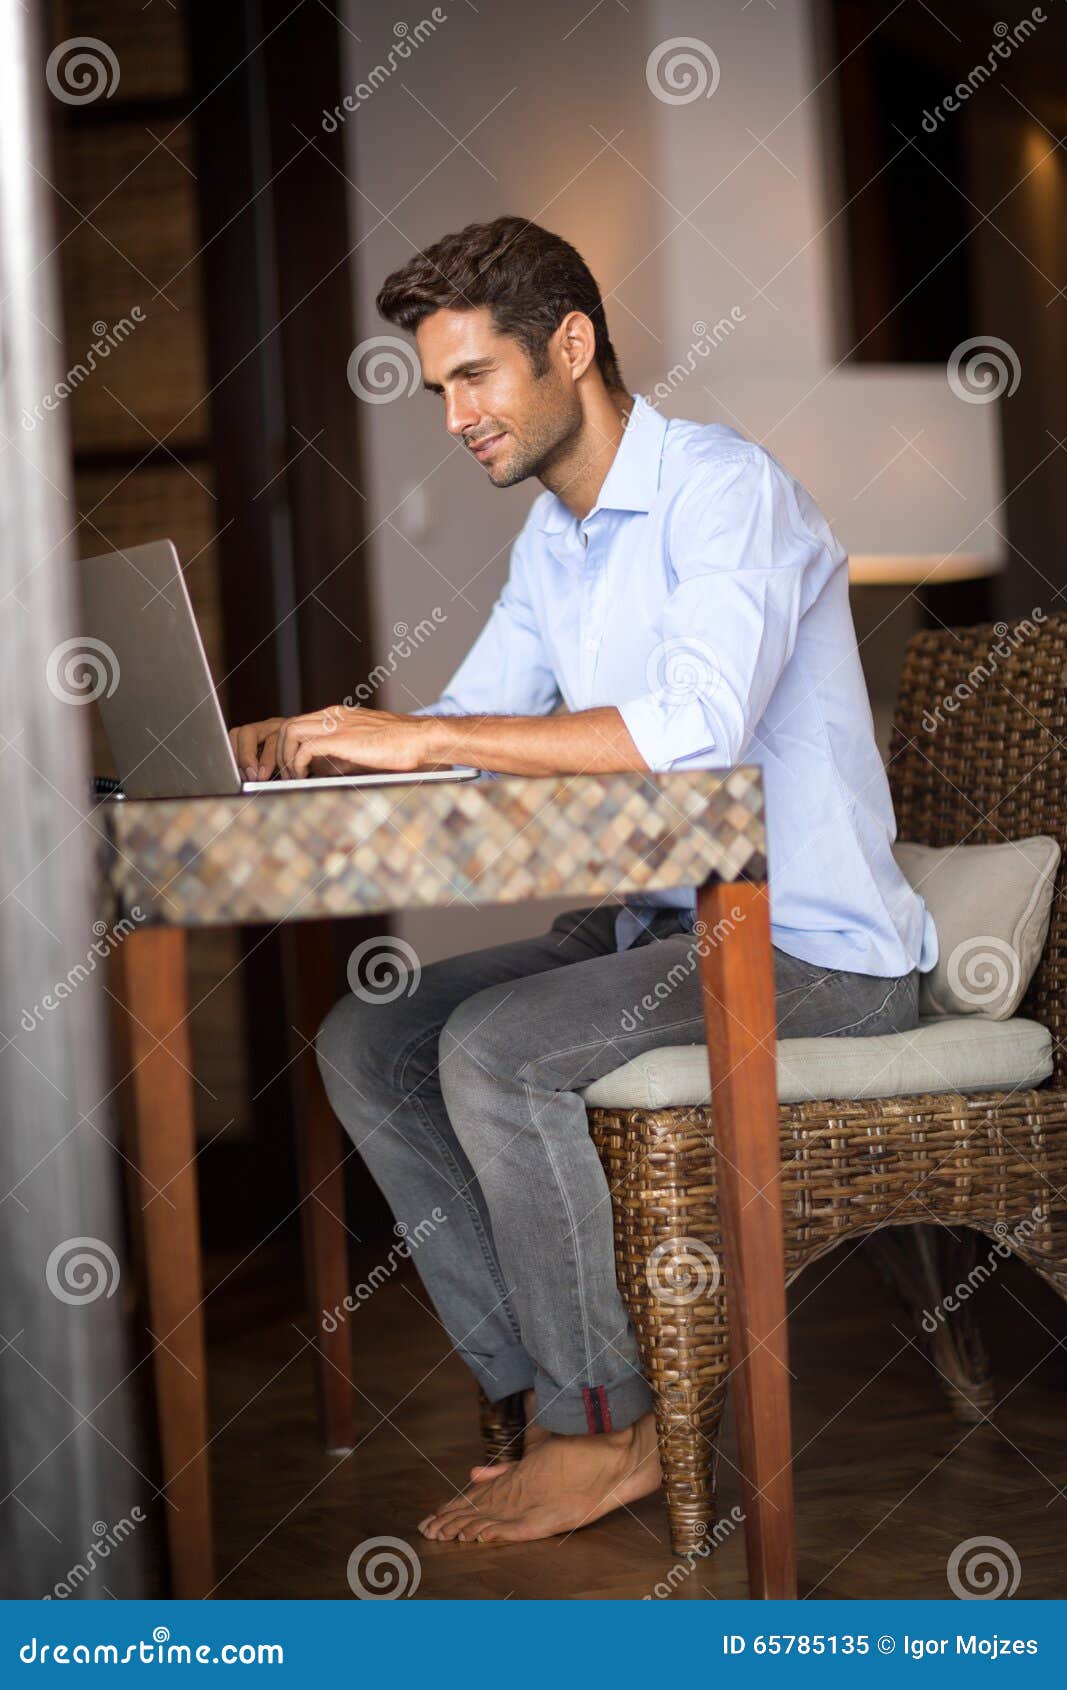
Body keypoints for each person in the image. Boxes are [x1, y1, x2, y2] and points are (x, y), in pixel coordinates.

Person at [230, 215, 937, 1546]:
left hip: (820, 954)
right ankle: (526, 1387)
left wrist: (425, 733)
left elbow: (695, 728)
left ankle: (602, 1422)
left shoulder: (728, 493)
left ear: (571, 346)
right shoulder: (554, 545)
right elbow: (467, 740)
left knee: (497, 1048)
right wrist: (309, 751)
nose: (453, 416)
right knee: (371, 1035)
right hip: (667, 929)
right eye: (439, 388)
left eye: (473, 378)